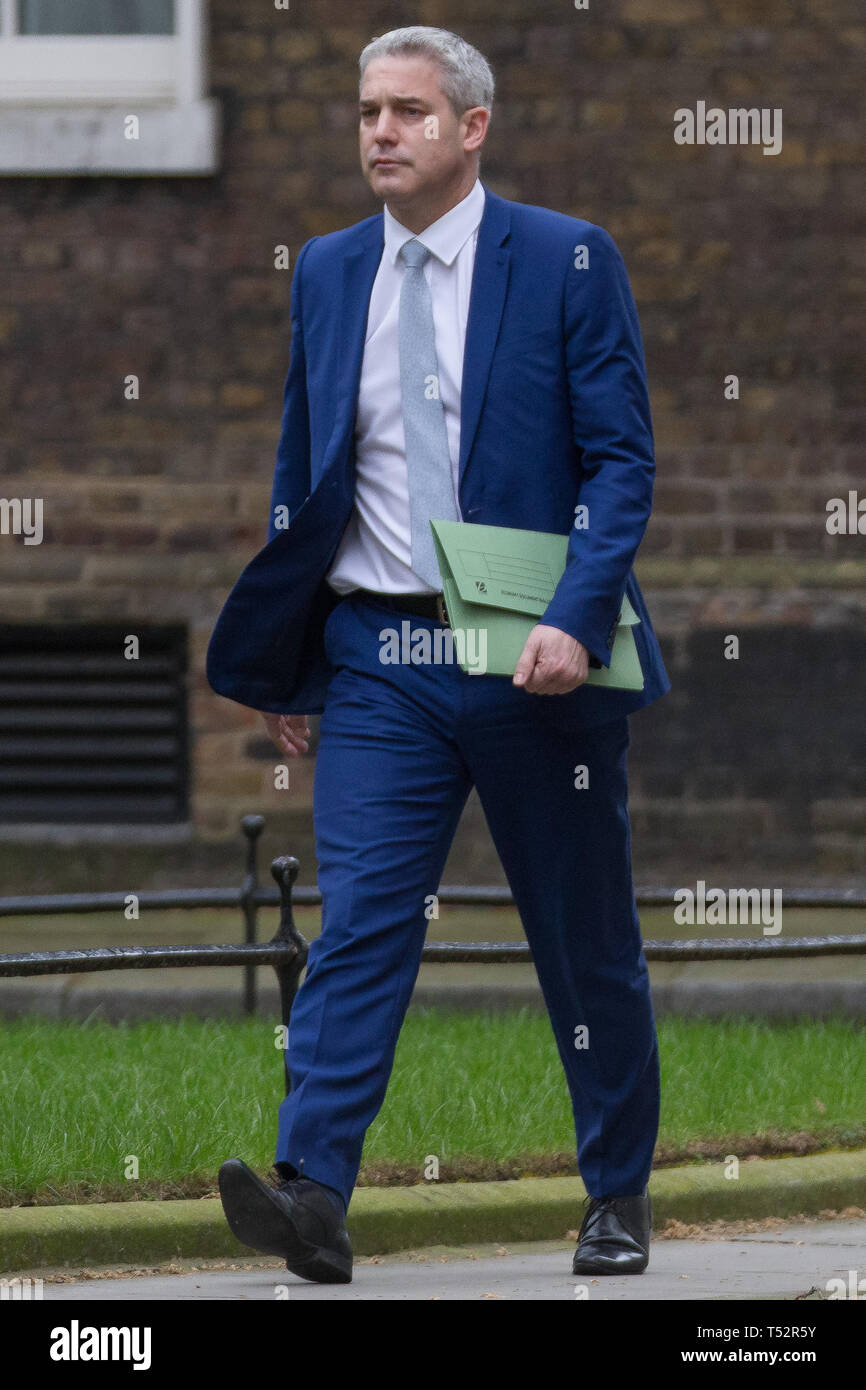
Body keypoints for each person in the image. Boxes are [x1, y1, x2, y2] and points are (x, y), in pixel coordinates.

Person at [207, 24, 670, 1285]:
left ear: (472, 129)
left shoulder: (566, 259)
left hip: (531, 654)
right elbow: (305, 476)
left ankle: (615, 1192)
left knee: (582, 937)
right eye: (367, 110)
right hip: (378, 655)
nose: (378, 132)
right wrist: (293, 663)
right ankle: (312, 1192)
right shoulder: (328, 271)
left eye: (408, 111)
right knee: (358, 918)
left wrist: (578, 613)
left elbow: (621, 461)